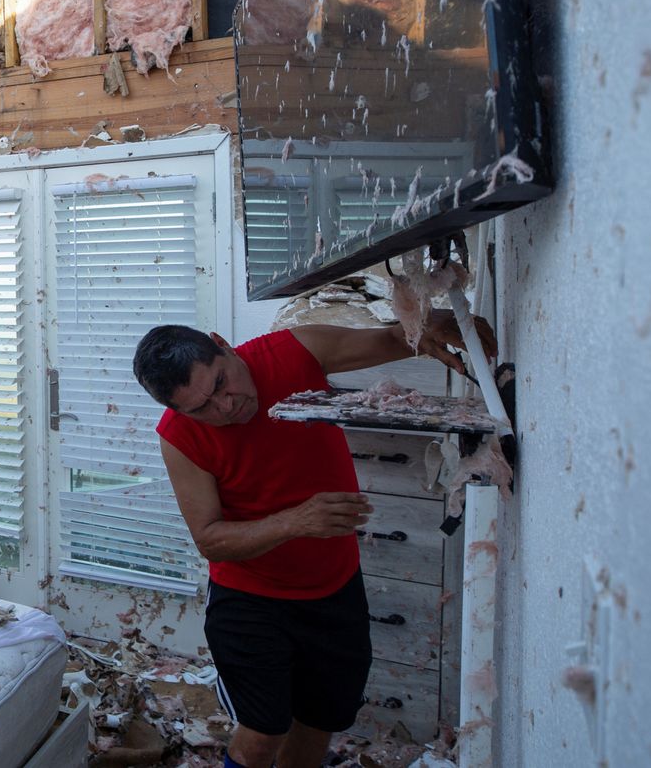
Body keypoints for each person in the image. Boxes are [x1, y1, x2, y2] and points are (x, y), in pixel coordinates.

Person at [132, 315, 494, 768]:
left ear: (224, 346)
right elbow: (210, 539)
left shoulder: (294, 350)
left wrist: (433, 326)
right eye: (202, 407)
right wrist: (296, 521)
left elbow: (391, 339)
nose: (224, 408)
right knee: (263, 731)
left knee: (319, 722)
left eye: (222, 384)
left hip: (334, 585)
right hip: (251, 598)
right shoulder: (179, 437)